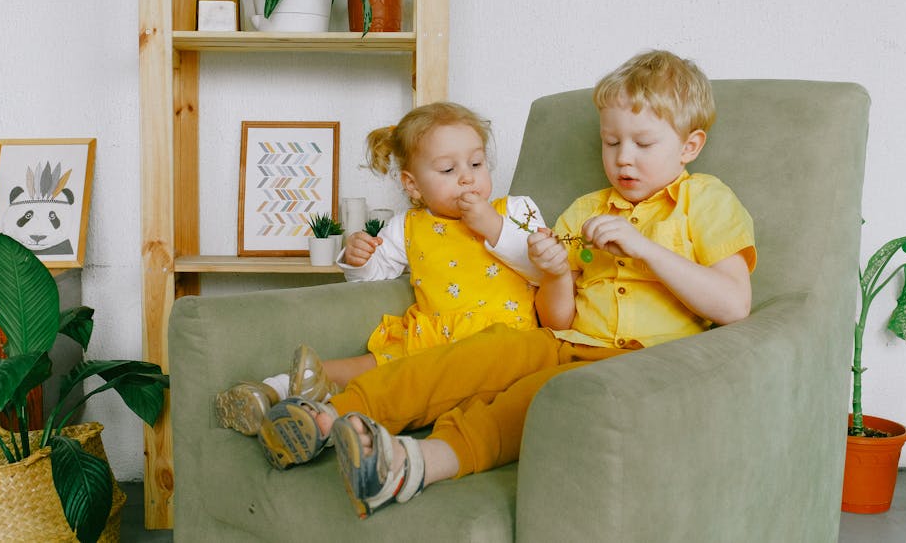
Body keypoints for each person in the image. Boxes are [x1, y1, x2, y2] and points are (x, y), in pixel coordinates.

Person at [253, 49, 758, 519]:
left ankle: (414, 464)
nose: (624, 158)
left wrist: (645, 248)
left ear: (690, 146)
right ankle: (325, 419)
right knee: (470, 357)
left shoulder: (706, 202)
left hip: (638, 361)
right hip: (563, 340)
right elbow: (556, 317)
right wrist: (558, 272)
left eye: (643, 144)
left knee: (533, 400)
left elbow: (734, 305)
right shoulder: (587, 209)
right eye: (611, 142)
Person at [215, 101, 548, 436]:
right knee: (362, 366)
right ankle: (272, 391)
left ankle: (324, 420)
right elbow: (374, 274)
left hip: (497, 344)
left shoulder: (516, 210)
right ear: (413, 185)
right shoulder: (409, 226)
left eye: (476, 163)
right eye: (448, 170)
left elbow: (544, 270)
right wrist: (357, 259)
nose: (467, 177)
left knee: (396, 385)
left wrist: (492, 226)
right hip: (427, 341)